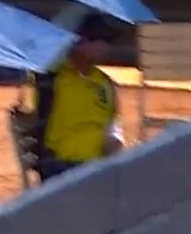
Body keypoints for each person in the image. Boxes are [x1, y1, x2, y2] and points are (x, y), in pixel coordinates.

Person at [31, 13, 125, 182]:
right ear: (79, 41)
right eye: (97, 39)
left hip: (97, 165)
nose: (104, 46)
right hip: (60, 164)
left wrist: (115, 140)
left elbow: (112, 124)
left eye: (107, 40)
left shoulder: (104, 82)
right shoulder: (54, 75)